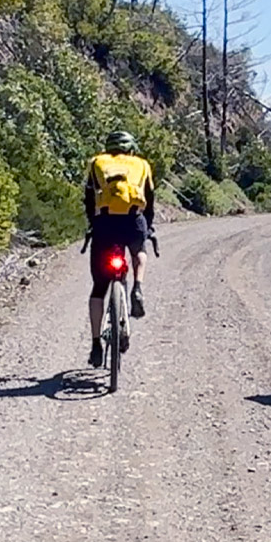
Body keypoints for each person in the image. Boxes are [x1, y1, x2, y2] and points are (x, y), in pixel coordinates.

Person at [83, 130, 155, 368]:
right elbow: (150, 201)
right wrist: (149, 227)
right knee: (139, 251)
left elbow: (89, 198)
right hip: (133, 221)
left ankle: (95, 344)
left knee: (99, 288)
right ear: (131, 148)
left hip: (105, 224)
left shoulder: (97, 163)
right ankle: (138, 286)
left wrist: (93, 225)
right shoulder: (142, 165)